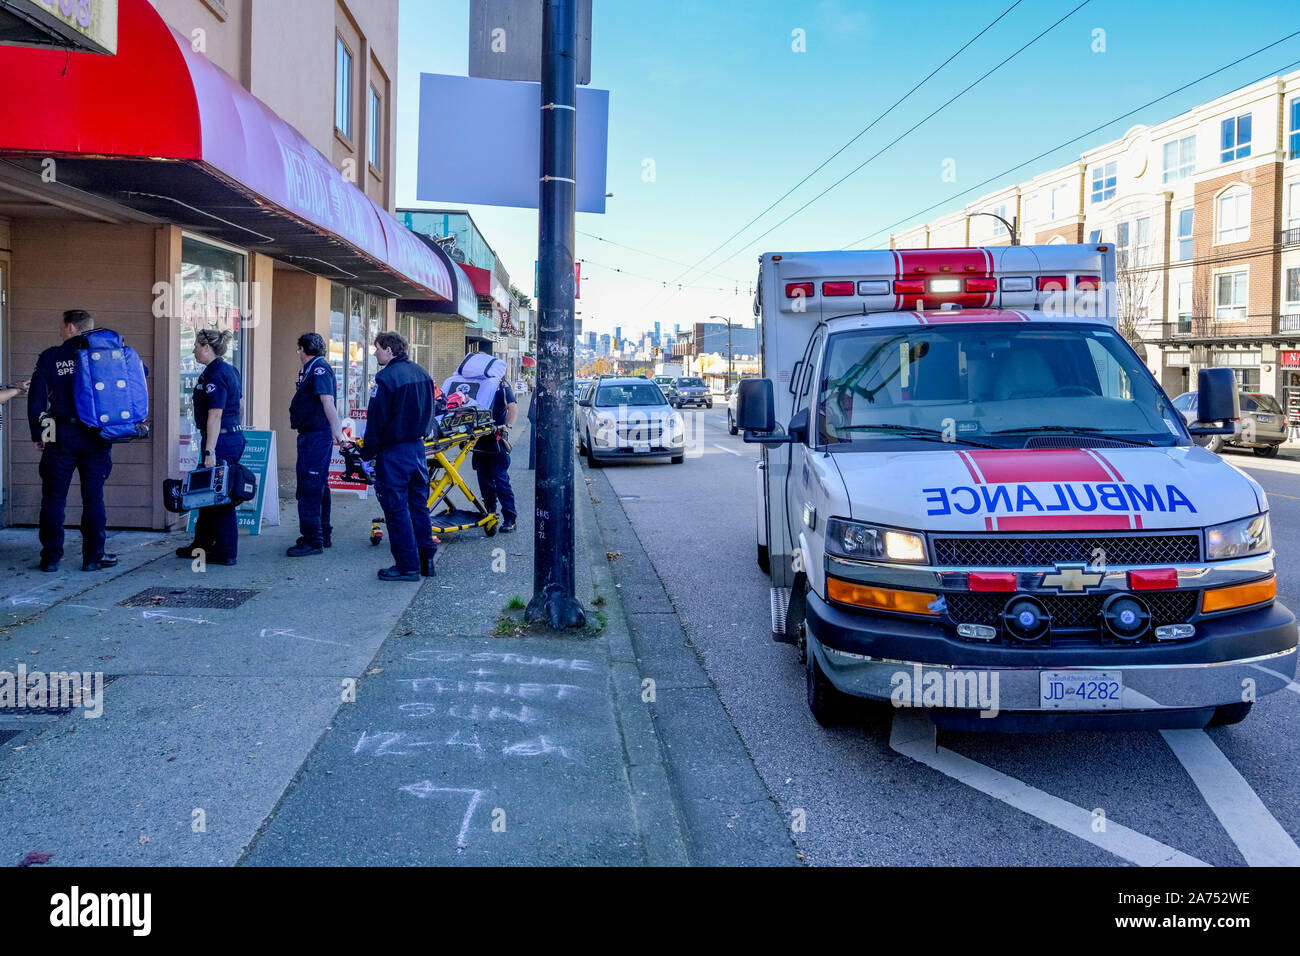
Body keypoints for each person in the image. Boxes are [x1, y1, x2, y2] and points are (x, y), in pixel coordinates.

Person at [27, 310, 117, 573]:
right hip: (97, 436)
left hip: (61, 435)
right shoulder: (104, 355)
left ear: (69, 327)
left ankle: (51, 558)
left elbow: (36, 401)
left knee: (54, 499)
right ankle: (93, 558)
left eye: (61, 326)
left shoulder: (51, 356)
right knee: (93, 498)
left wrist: (39, 435)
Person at [356, 331, 438, 581]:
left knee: (396, 509)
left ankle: (406, 565)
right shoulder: (422, 374)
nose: (375, 352)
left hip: (394, 452)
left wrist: (366, 453)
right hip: (417, 450)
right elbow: (431, 413)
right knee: (418, 506)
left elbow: (376, 421)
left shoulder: (385, 379)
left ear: (389, 350)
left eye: (377, 348)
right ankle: (427, 560)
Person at [178, 329, 244, 566]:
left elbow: (215, 415)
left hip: (220, 441)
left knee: (220, 495)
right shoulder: (229, 370)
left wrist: (210, 451)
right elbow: (240, 405)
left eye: (196, 345)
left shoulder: (216, 374)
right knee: (205, 493)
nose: (194, 350)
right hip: (229, 437)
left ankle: (226, 553)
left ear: (207, 347)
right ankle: (201, 545)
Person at [287, 332, 343, 557]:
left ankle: (313, 539)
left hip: (315, 437)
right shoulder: (314, 369)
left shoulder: (319, 369)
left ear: (303, 349)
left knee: (309, 486)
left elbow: (327, 401)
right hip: (312, 435)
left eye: (299, 349)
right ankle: (322, 532)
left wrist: (337, 431)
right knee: (318, 484)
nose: (298, 353)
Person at [472, 376, 518, 533]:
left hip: (496, 439)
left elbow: (512, 408)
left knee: (501, 480)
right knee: (484, 482)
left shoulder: (500, 384)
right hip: (478, 441)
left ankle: (510, 519)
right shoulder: (473, 384)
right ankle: (490, 514)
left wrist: (507, 427)